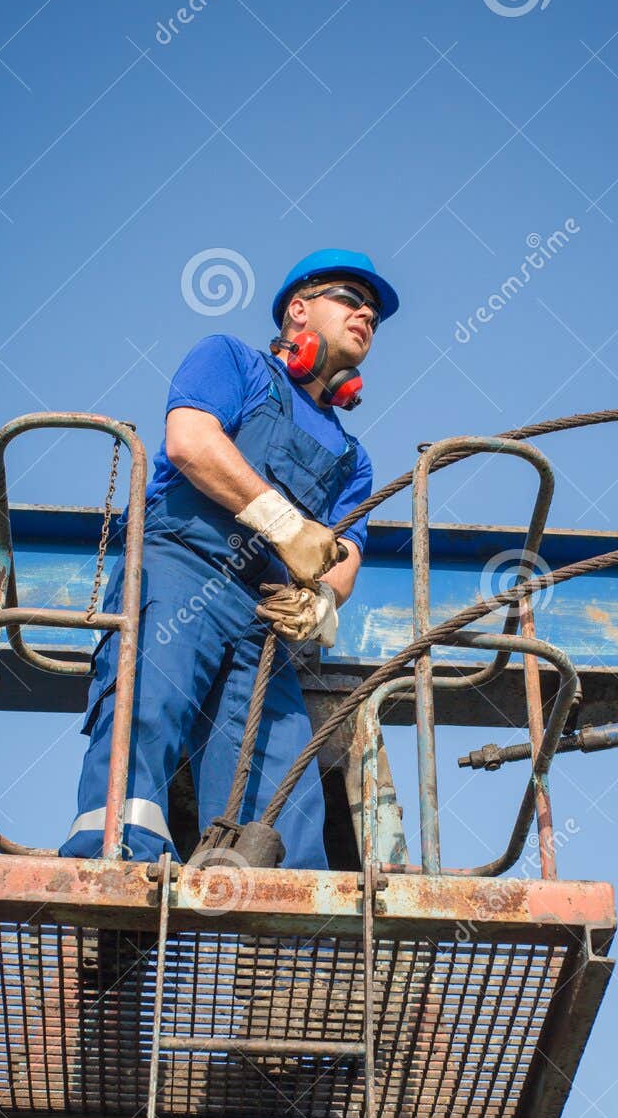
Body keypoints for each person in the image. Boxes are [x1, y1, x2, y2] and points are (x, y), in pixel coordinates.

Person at [60, 248, 399, 869]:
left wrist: (323, 598)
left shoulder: (354, 459)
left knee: (283, 777)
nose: (366, 315)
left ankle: (291, 938)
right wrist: (283, 522)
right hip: (181, 564)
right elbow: (190, 442)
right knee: (147, 708)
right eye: (351, 300)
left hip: (263, 618)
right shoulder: (230, 361)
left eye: (374, 314)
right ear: (298, 310)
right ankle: (113, 866)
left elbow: (345, 553)